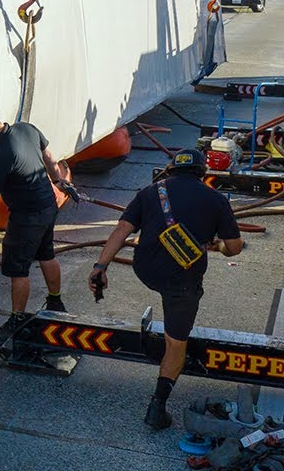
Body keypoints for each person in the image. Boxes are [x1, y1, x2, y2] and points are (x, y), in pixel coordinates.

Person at [89, 148, 242, 430]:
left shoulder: (150, 192)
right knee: (175, 343)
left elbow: (121, 232)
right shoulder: (215, 199)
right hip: (181, 281)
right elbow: (233, 248)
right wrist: (217, 245)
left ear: (171, 170)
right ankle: (157, 407)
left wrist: (100, 268)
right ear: (202, 173)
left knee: (167, 284)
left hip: (145, 269)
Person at [0, 108, 76, 345]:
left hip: (26, 216)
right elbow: (49, 157)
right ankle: (56, 302)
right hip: (48, 203)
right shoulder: (26, 128)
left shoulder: (0, 157)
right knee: (46, 253)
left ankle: (17, 320)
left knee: (18, 270)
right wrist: (58, 180)